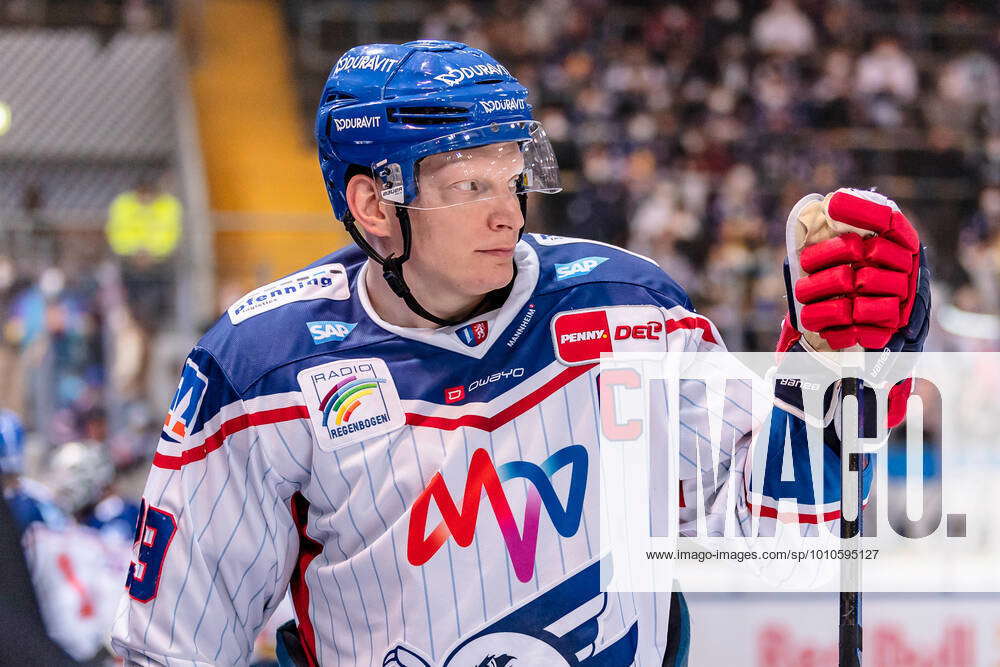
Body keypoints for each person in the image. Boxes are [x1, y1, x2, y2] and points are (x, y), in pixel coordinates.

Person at [111, 40, 928, 665]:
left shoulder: (628, 308)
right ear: (373, 205)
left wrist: (837, 371)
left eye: (513, 176)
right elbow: (171, 643)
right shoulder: (260, 370)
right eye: (470, 187)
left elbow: (788, 540)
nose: (508, 213)